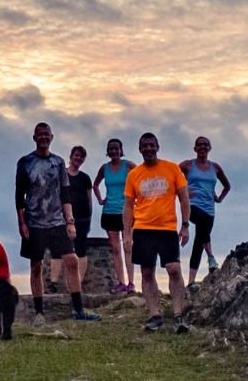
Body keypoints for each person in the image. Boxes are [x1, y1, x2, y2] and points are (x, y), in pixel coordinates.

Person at [15, 122, 99, 324]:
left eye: (46, 134)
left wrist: (69, 221)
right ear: (34, 138)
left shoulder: (59, 163)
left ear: (51, 137)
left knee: (72, 260)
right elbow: (19, 195)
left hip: (56, 221)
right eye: (39, 135)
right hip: (34, 222)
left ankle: (78, 309)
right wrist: (21, 222)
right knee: (36, 266)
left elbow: (65, 193)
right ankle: (39, 312)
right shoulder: (25, 162)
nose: (43, 138)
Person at [124, 131, 193, 333]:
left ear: (157, 147)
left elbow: (184, 198)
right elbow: (128, 206)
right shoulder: (134, 175)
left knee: (174, 269)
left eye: (151, 145)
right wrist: (127, 235)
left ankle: (178, 314)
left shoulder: (171, 169)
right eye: (144, 146)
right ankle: (155, 315)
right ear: (139, 149)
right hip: (143, 229)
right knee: (147, 272)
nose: (148, 149)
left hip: (167, 229)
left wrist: (185, 225)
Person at [178, 136, 231, 284]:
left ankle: (191, 281)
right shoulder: (188, 165)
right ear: (195, 149)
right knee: (201, 225)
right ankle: (211, 256)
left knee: (199, 241)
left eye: (205, 145)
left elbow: (227, 186)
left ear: (209, 148)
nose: (202, 147)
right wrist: (181, 191)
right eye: (199, 145)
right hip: (192, 205)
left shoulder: (216, 167)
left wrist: (219, 198)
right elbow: (171, 177)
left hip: (210, 208)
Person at [94, 139, 135, 293]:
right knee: (115, 249)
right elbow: (95, 184)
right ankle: (121, 283)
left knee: (127, 246)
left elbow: (141, 178)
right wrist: (100, 199)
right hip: (109, 211)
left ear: (121, 150)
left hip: (126, 212)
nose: (113, 151)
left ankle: (131, 283)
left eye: (116, 148)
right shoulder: (104, 168)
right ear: (108, 151)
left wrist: (136, 200)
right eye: (110, 149)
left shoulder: (128, 165)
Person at [62, 144, 96, 286]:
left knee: (81, 249)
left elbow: (89, 200)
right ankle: (58, 282)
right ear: (71, 156)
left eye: (81, 156)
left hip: (82, 219)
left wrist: (89, 218)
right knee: (63, 249)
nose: (78, 158)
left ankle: (79, 282)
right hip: (63, 218)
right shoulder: (62, 174)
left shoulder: (85, 178)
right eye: (76, 155)